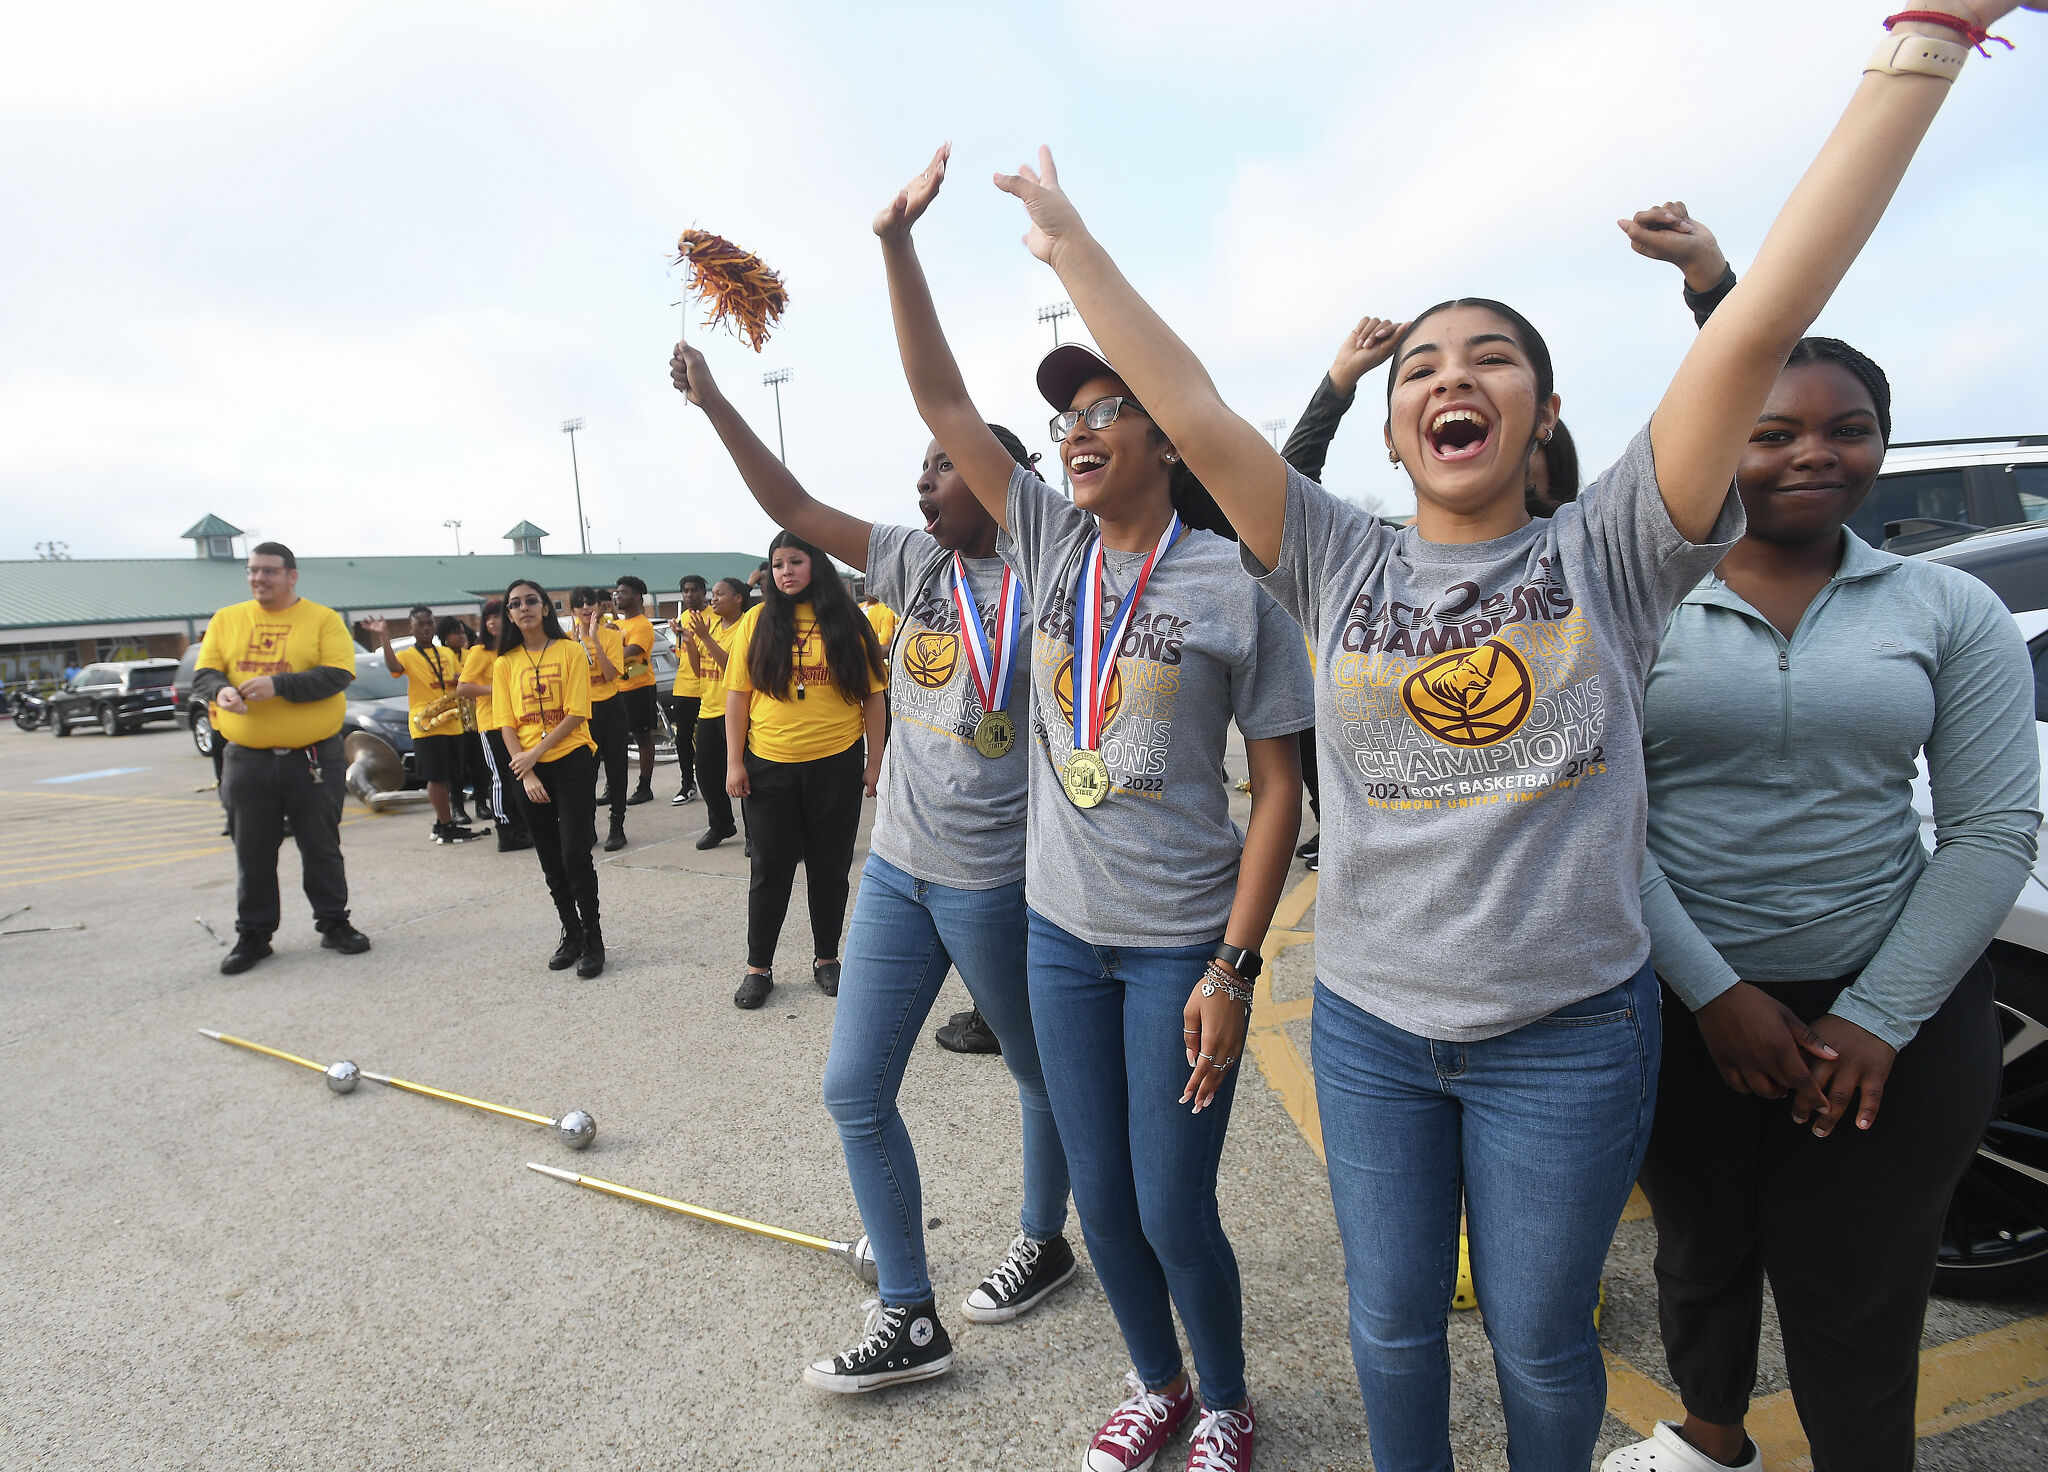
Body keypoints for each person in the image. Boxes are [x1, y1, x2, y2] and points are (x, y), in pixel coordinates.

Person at [975, 6, 2031, 1466]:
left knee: (1541, 1340)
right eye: (1419, 366)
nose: (1449, 378)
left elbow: (1766, 317)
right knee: (1392, 1327)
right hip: (1369, 1031)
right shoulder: (1331, 557)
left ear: (1541, 416)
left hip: (1569, 1038)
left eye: (1490, 360)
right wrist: (1073, 249)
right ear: (1393, 427)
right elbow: (1192, 406)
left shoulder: (1614, 551)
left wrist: (1928, 40)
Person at [880, 150, 1313, 1472]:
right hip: (1059, 938)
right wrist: (896, 246)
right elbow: (943, 398)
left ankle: (1226, 1403)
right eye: (1067, 414)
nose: (1077, 428)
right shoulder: (1049, 544)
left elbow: (1279, 787)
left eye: (1109, 408)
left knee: (1175, 1208)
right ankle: (1155, 1383)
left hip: (1180, 944)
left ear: (1168, 439)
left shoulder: (1235, 584)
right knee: (1107, 1206)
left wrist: (1235, 965)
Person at [1600, 196, 2039, 1472]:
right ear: (1720, 441)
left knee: (1860, 1280)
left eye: (1847, 429)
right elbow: (1603, 819)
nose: (1812, 453)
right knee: (1699, 1247)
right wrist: (1713, 992)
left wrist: (1875, 1017)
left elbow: (1988, 829)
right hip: (1679, 998)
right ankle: (1710, 1434)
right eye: (1771, 430)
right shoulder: (1640, 606)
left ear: (1880, 444)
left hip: (1894, 1002)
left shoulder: (1945, 607)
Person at [673, 338, 1077, 1391]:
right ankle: (909, 1311)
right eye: (921, 468)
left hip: (994, 881)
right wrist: (716, 404)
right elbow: (794, 504)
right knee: (853, 1089)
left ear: (1001, 478)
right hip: (897, 871)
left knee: (1037, 1075)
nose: (923, 483)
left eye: (945, 465)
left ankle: (1045, 1238)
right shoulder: (912, 562)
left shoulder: (1056, 573)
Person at [723, 532, 886, 1009]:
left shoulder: (847, 619)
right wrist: (734, 762)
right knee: (769, 868)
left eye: (795, 561)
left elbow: (873, 695)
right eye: (777, 565)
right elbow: (738, 697)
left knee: (829, 868)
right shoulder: (756, 621)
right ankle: (758, 968)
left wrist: (875, 762)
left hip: (836, 763)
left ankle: (826, 958)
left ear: (816, 563)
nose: (786, 572)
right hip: (769, 766)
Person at [193, 542, 371, 974]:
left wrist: (278, 685)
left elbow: (337, 675)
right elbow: (205, 673)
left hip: (311, 758)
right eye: (252, 570)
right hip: (246, 759)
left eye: (269, 571)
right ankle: (254, 935)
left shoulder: (322, 619)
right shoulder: (227, 619)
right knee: (252, 850)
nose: (259, 578)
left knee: (321, 845)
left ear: (292, 575)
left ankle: (334, 923)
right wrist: (221, 690)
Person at [493, 577, 604, 978]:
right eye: (515, 604)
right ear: (509, 614)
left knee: (575, 852)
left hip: (570, 759)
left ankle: (593, 938)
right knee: (550, 857)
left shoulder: (570, 650)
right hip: (526, 769)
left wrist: (535, 755)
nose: (523, 608)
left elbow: (577, 712)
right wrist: (525, 772)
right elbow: (506, 723)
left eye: (531, 601)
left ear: (544, 607)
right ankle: (571, 933)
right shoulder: (504, 663)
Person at [372, 606, 477, 845]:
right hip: (427, 725)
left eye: (429, 623)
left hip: (452, 722)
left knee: (449, 776)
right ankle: (447, 825)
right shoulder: (408, 655)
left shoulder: (447, 653)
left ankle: (441, 823)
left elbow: (462, 679)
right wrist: (383, 636)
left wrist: (459, 679)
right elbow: (394, 667)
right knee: (436, 777)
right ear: (411, 628)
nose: (426, 628)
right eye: (420, 624)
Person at [681, 577, 749, 850]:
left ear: (739, 598)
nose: (714, 599)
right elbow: (699, 670)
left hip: (737, 712)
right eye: (713, 594)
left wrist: (705, 638)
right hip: (708, 710)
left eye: (720, 594)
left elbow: (733, 669)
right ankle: (721, 825)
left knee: (746, 776)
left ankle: (754, 834)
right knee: (707, 775)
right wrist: (691, 641)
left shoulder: (745, 627)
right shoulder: (711, 627)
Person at [458, 599, 532, 853]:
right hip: (491, 723)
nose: (492, 622)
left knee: (520, 774)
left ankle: (524, 825)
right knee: (501, 776)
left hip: (518, 722)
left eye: (496, 616)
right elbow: (463, 687)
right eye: (487, 618)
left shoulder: (515, 648)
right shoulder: (480, 652)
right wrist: (495, 688)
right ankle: (505, 829)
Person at [570, 587, 631, 852]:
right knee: (585, 772)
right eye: (579, 604)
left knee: (616, 769)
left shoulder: (610, 635)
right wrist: (576, 645)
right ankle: (588, 827)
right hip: (583, 711)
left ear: (598, 606)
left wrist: (594, 639)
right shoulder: (566, 641)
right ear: (572, 610)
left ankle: (617, 827)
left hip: (611, 706)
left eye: (590, 603)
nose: (586, 608)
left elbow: (609, 675)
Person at [613, 575, 662, 807]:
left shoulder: (641, 624)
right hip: (616, 689)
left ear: (637, 597)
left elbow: (628, 652)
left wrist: (609, 643)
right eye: (616, 592)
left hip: (639, 688)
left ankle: (645, 786)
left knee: (643, 737)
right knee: (615, 741)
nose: (618, 596)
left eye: (623, 592)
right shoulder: (618, 625)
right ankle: (613, 787)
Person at [435, 616, 488, 824]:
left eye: (462, 632)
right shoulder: (441, 656)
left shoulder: (471, 654)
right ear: (444, 636)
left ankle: (482, 804)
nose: (461, 636)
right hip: (452, 719)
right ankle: (457, 808)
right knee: (456, 768)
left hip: (474, 717)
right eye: (455, 632)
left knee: (479, 764)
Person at [667, 575, 710, 806]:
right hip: (683, 687)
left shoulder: (714, 616)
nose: (690, 594)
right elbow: (681, 653)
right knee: (682, 738)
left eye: (694, 590)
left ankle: (716, 782)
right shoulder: (682, 617)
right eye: (685, 591)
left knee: (709, 740)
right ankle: (687, 784)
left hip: (708, 687)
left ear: (704, 592)